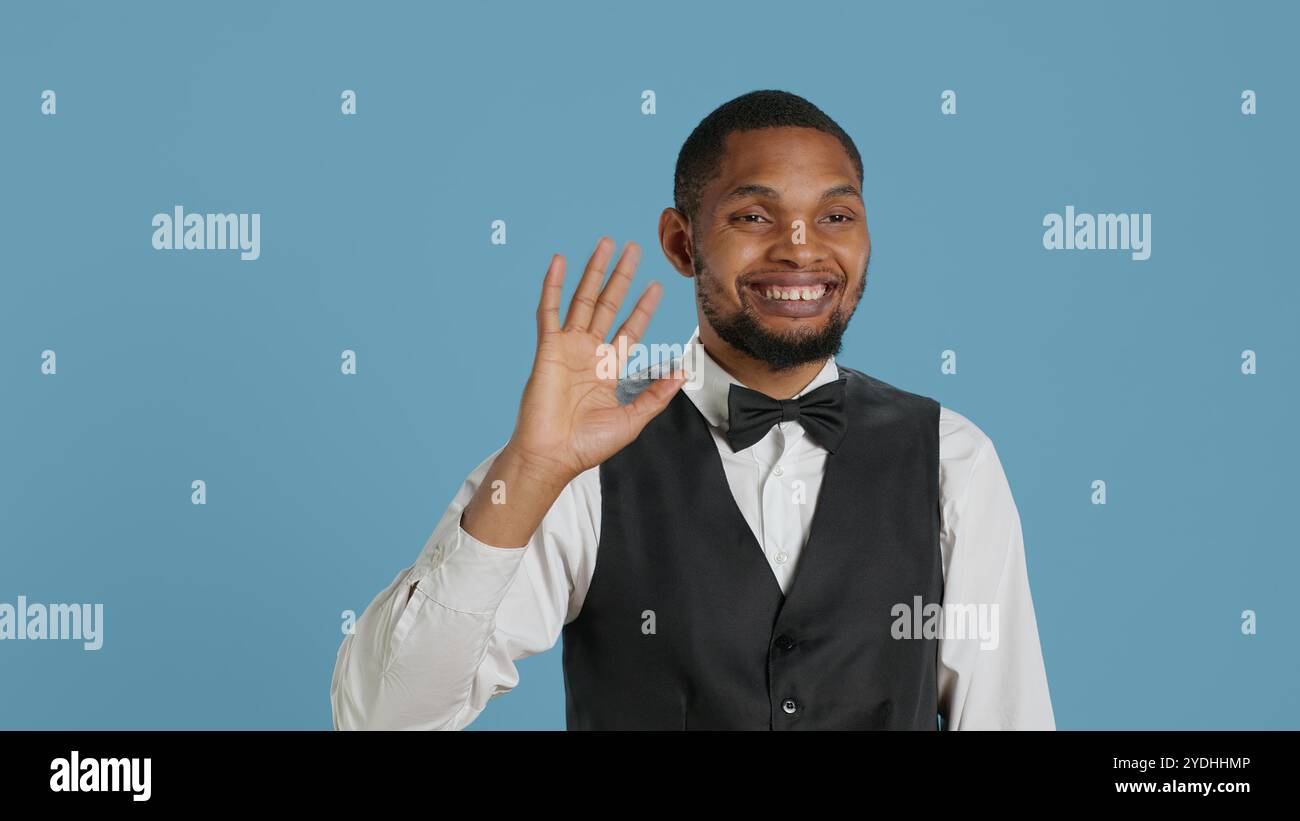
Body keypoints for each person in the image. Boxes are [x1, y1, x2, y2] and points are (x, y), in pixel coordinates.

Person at [330, 89, 1055, 730]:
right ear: (682, 243)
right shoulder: (584, 458)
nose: (801, 249)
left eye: (835, 214)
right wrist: (529, 471)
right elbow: (383, 718)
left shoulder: (952, 457)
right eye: (753, 214)